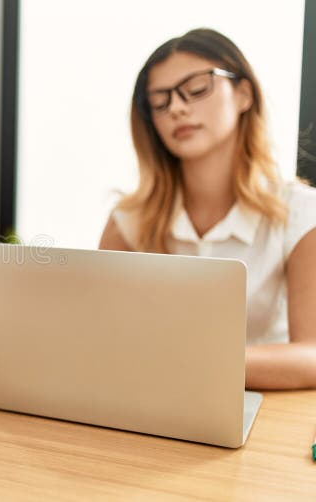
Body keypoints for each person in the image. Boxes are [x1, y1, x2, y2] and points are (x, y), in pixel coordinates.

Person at [98, 28, 316, 390]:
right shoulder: (127, 221)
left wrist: (188, 359)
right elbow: (99, 338)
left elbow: (311, 356)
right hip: (154, 405)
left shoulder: (300, 212)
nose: (178, 108)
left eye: (197, 88)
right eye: (160, 101)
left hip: (266, 411)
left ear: (244, 94)